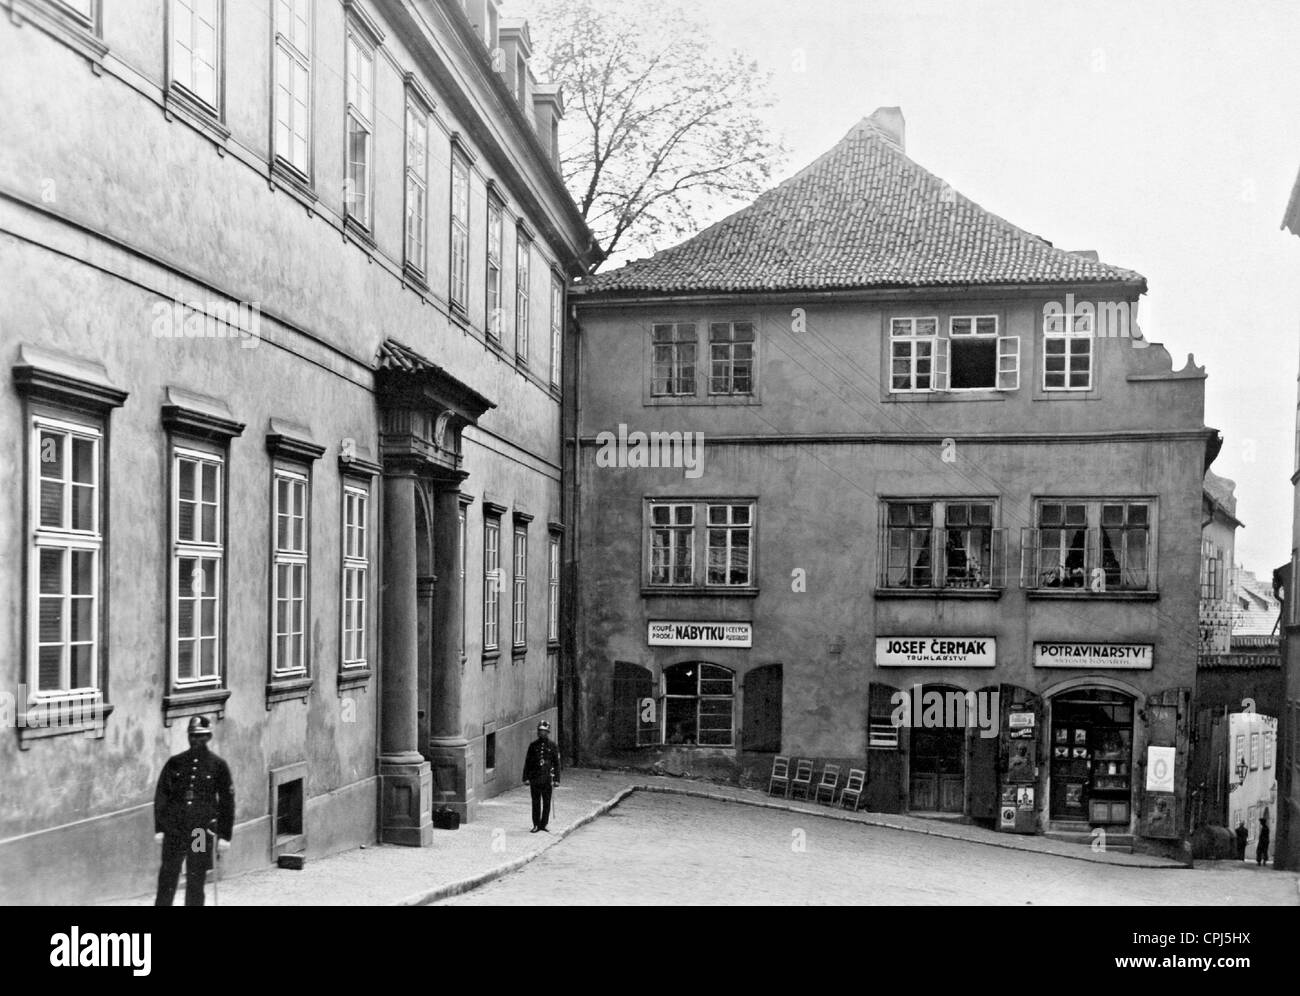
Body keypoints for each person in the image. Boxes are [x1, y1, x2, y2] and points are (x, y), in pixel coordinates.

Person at [154, 715, 235, 906]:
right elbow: (162, 797)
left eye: (200, 736)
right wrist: (160, 828)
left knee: (195, 878)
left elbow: (226, 801)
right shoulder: (175, 763)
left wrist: (225, 835)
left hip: (199, 832)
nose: (195, 740)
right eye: (192, 736)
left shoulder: (217, 765)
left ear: (208, 737)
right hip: (175, 831)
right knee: (167, 876)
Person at [522, 720, 561, 833]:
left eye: (544, 731)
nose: (541, 733)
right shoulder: (533, 746)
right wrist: (526, 777)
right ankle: (536, 824)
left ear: (548, 732)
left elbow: (556, 764)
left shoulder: (553, 746)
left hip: (547, 779)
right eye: (540, 731)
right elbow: (528, 762)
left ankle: (544, 824)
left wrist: (557, 779)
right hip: (535, 778)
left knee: (547, 802)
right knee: (535, 802)